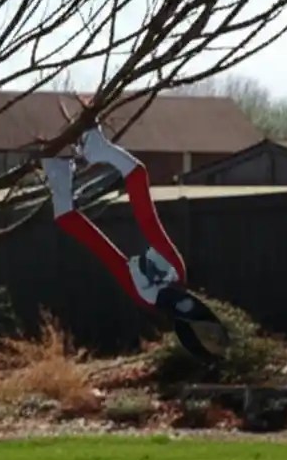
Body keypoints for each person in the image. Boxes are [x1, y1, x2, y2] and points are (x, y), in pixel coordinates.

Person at [41, 126, 229, 359]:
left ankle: (90, 157)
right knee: (107, 248)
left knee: (138, 184)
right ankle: (62, 186)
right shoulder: (173, 307)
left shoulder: (177, 288)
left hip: (167, 285)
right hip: (155, 295)